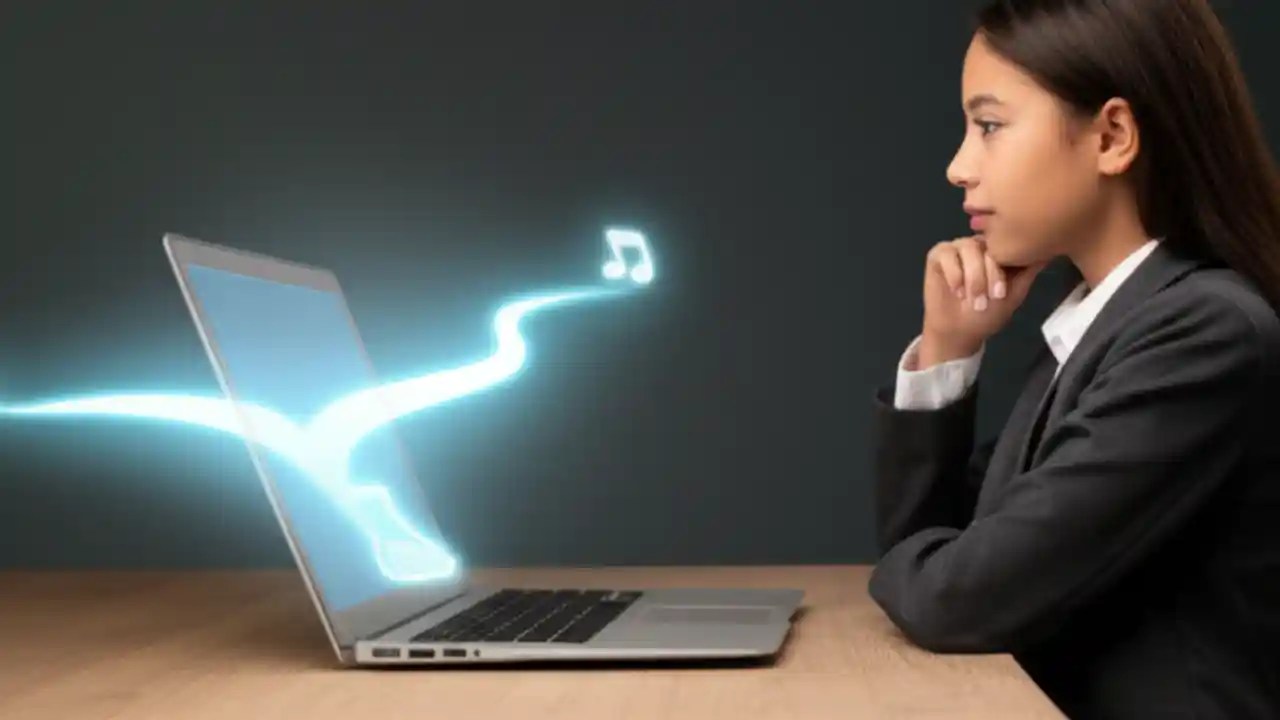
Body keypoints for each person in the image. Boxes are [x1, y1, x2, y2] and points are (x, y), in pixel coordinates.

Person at [867, 1, 1280, 717]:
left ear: (1113, 136)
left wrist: (932, 574)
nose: (958, 166)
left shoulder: (1202, 334)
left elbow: (953, 596)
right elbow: (943, 559)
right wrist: (948, 350)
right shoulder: (1112, 323)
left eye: (989, 126)